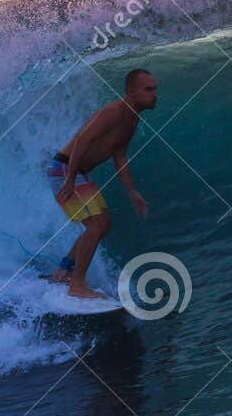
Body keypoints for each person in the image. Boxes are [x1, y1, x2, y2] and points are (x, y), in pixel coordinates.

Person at [45, 68, 157, 298]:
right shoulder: (112, 112)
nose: (154, 94)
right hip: (64, 169)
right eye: (148, 89)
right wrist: (69, 179)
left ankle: (63, 271)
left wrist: (132, 191)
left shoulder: (132, 120)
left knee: (103, 224)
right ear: (131, 92)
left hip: (76, 172)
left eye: (155, 89)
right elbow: (82, 140)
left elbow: (120, 156)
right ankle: (77, 284)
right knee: (96, 224)